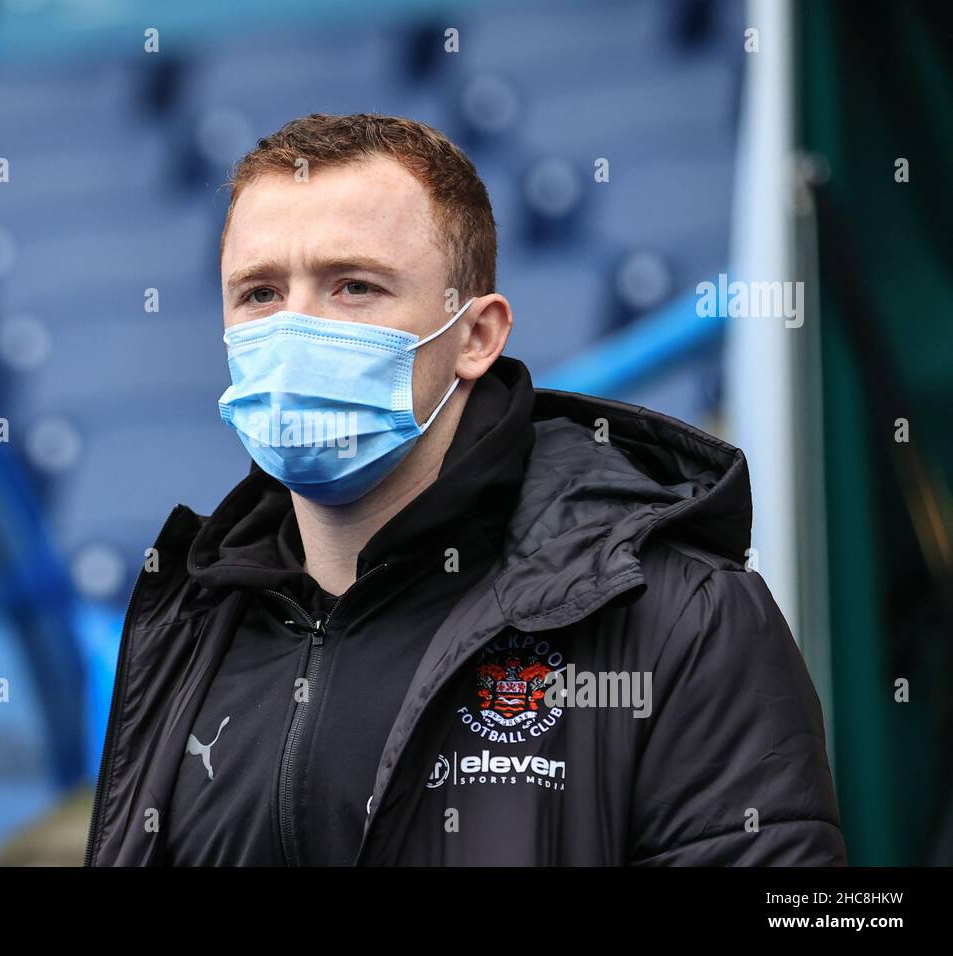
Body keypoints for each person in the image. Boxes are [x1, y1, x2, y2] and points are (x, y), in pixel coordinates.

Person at [85, 113, 846, 866]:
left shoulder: (676, 617)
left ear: (477, 336)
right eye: (259, 294)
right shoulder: (188, 622)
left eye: (353, 286)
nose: (294, 332)